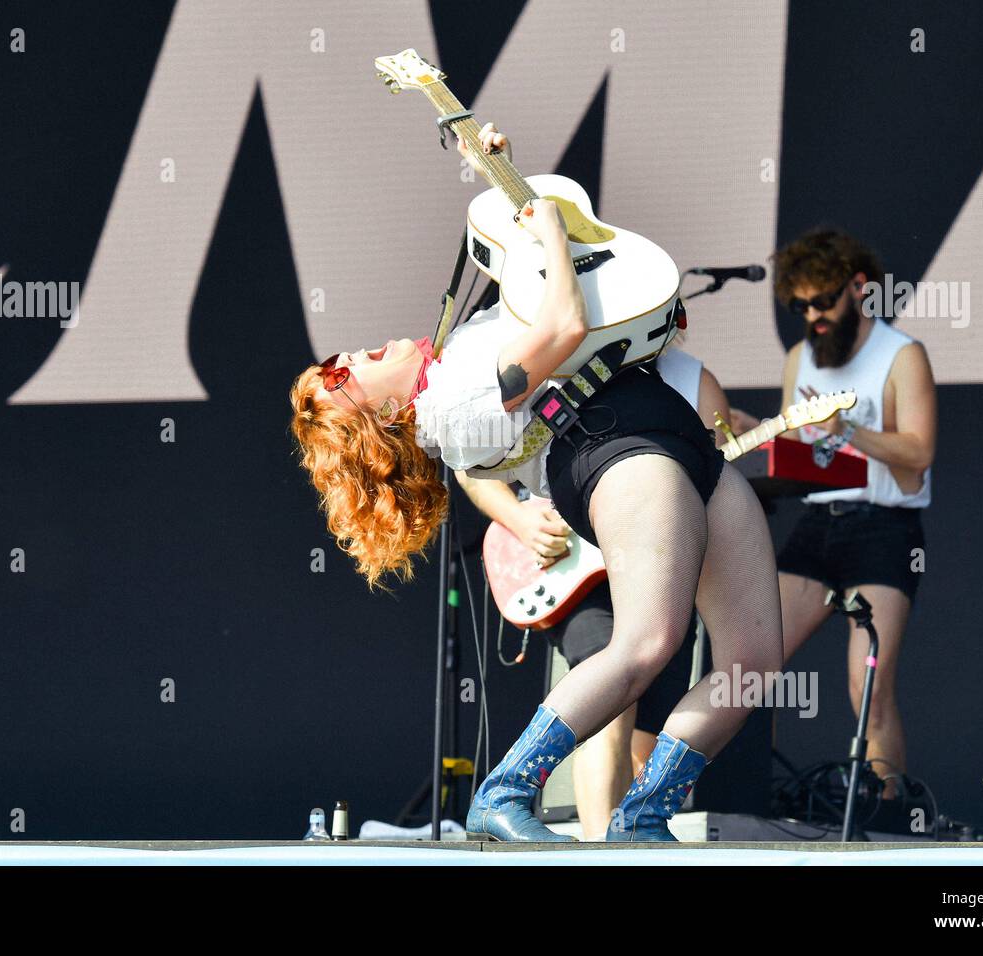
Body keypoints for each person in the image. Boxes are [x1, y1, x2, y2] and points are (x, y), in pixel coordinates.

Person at [289, 123, 783, 841]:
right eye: (346, 373)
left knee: (754, 661)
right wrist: (548, 226)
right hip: (616, 446)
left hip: (675, 434)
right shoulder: (446, 406)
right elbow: (561, 324)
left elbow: (555, 290)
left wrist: (498, 173)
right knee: (647, 639)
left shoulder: (459, 352)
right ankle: (505, 789)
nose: (361, 352)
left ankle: (644, 818)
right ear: (386, 414)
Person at [454, 345, 732, 839]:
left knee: (652, 720)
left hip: (657, 563)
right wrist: (518, 517)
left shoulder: (695, 379)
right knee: (615, 681)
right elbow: (467, 462)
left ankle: (636, 828)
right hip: (580, 573)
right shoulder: (565, 357)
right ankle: (589, 839)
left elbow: (707, 473)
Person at [732, 227, 936, 799]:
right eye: (800, 306)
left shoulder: (901, 354)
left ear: (858, 288)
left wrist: (850, 429)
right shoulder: (800, 357)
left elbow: (919, 455)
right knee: (748, 664)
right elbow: (799, 450)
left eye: (824, 301)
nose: (813, 316)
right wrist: (758, 433)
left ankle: (889, 815)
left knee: (866, 687)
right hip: (819, 523)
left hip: (885, 528)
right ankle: (740, 797)